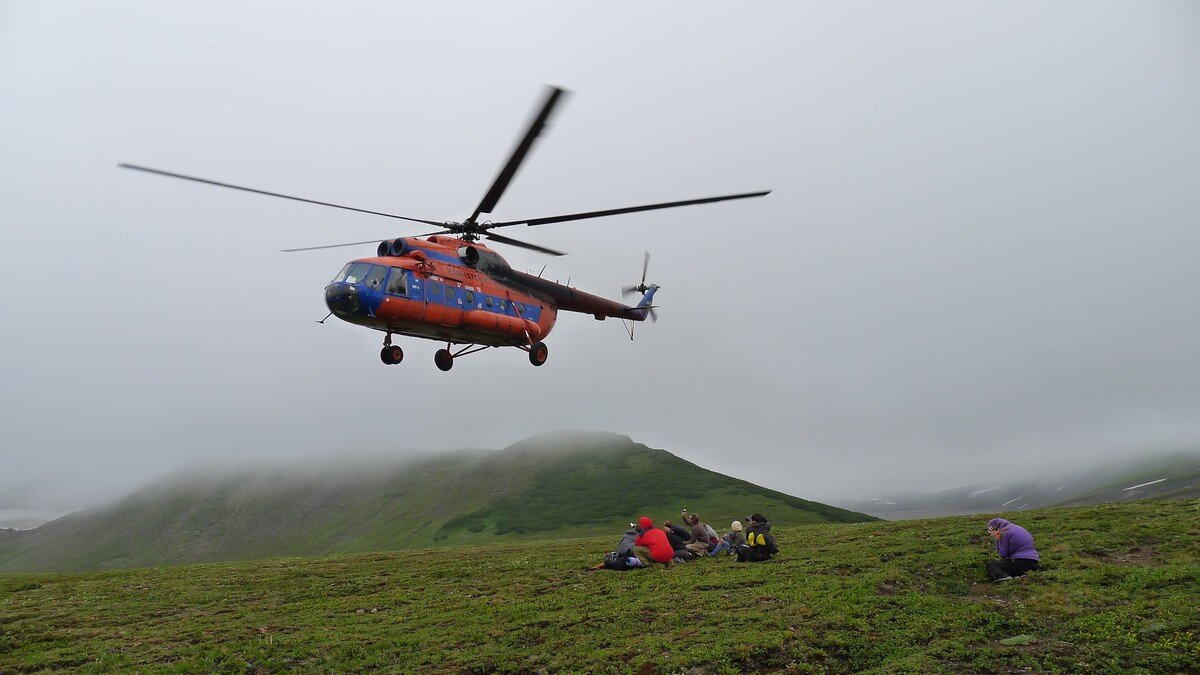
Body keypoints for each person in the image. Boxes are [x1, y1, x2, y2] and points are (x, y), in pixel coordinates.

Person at [985, 517, 1040, 582]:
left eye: (991, 532)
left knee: (992, 565)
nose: (991, 535)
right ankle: (1020, 576)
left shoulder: (1004, 532)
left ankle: (1004, 577)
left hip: (1021, 562)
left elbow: (1003, 554)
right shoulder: (1015, 528)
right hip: (1033, 562)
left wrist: (998, 539)